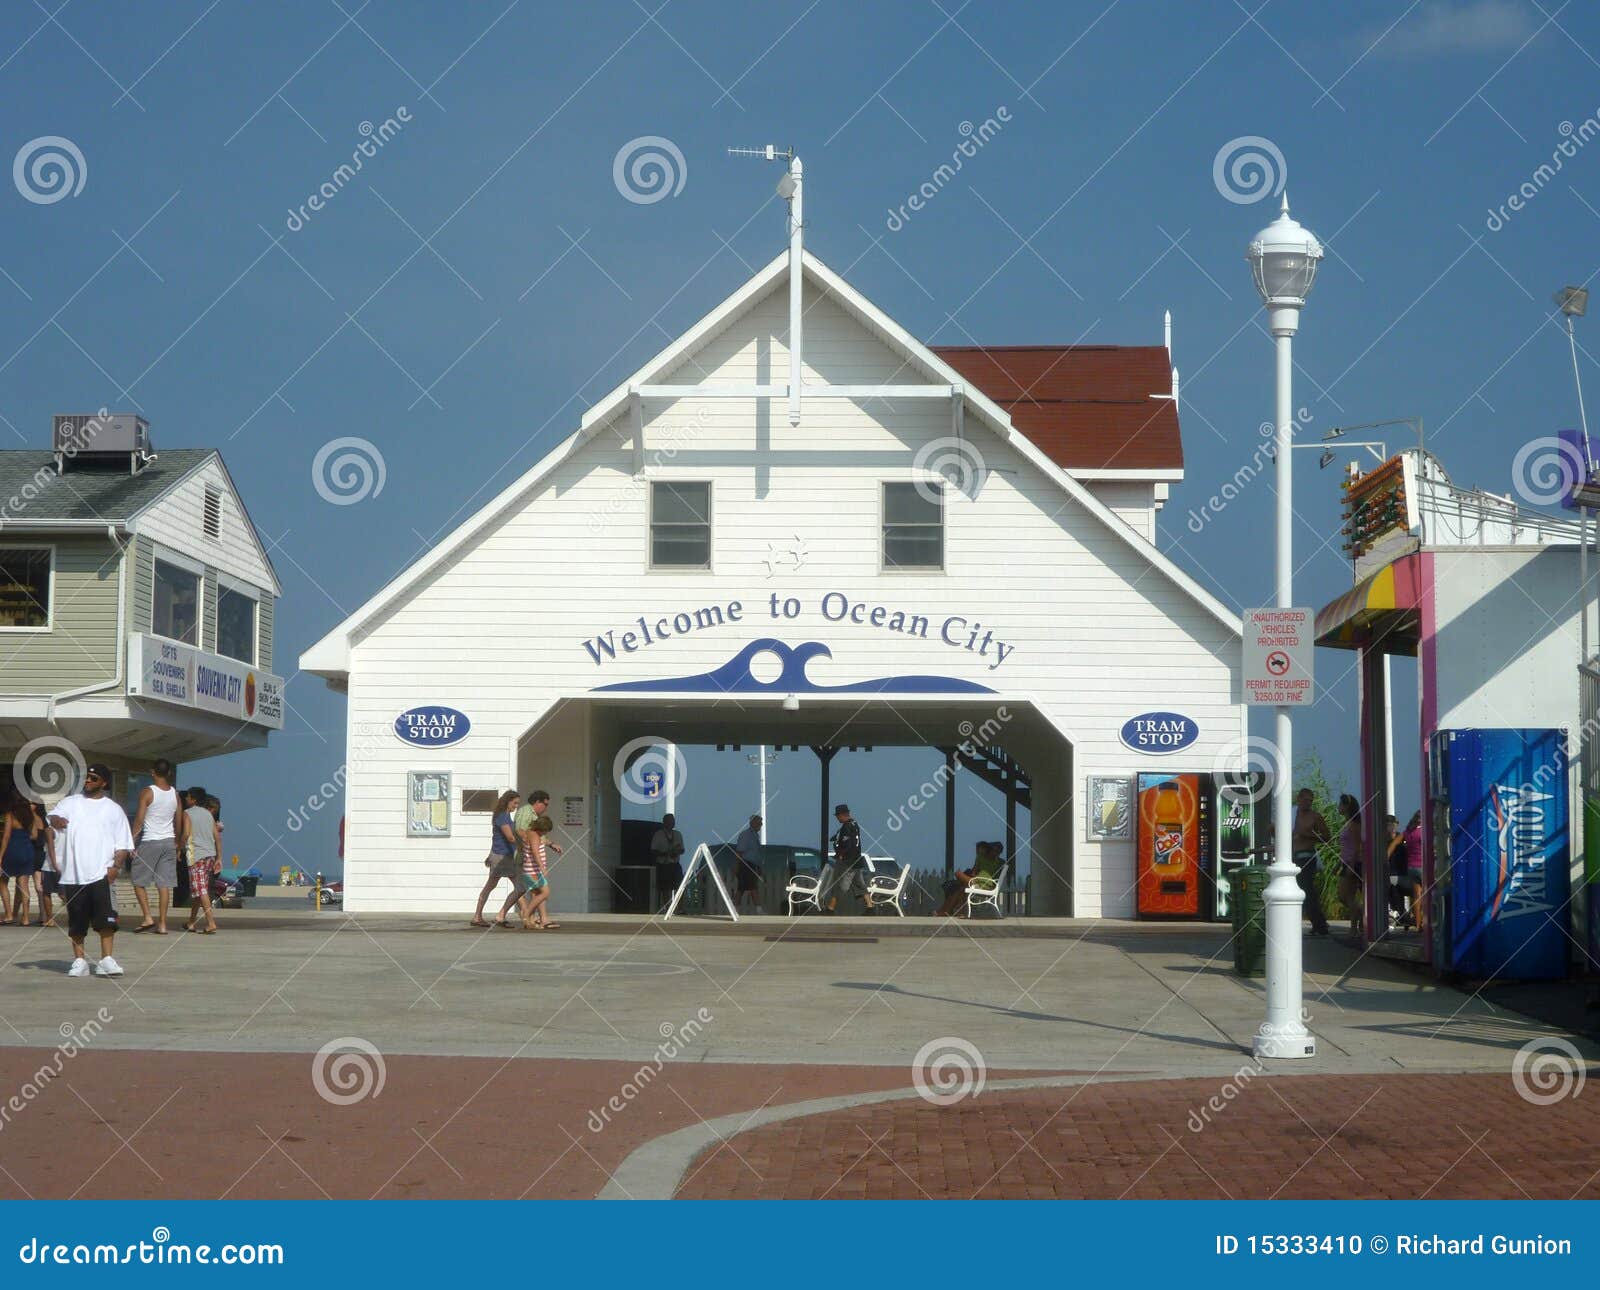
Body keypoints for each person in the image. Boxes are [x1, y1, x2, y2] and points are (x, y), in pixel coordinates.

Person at [48, 763, 132, 977]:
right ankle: (79, 961)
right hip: (74, 875)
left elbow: (123, 843)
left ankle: (106, 960)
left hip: (101, 873)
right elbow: (53, 818)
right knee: (76, 921)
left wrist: (116, 867)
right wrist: (56, 820)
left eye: (93, 778)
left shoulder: (114, 809)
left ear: (104, 782)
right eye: (86, 777)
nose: (88, 781)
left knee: (106, 920)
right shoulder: (70, 802)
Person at [129, 759, 185, 936]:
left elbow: (139, 818)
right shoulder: (175, 794)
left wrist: (131, 840)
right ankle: (162, 924)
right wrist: (176, 842)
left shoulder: (148, 792)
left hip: (150, 841)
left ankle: (147, 917)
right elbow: (179, 818)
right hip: (169, 841)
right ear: (169, 773)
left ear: (153, 772)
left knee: (138, 880)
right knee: (164, 885)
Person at [499, 790, 561, 929]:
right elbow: (519, 830)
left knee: (534, 891)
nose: (546, 807)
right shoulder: (526, 812)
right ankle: (526, 914)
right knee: (538, 891)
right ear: (537, 802)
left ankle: (534, 919)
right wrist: (530, 843)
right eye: (545, 804)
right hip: (525, 860)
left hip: (530, 862)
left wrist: (550, 844)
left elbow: (536, 838)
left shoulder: (535, 822)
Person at [471, 790, 521, 927]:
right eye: (515, 803)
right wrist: (525, 845)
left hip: (505, 856)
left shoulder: (505, 816)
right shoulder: (502, 817)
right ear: (508, 801)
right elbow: (509, 837)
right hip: (501, 857)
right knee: (516, 887)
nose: (516, 806)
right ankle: (483, 916)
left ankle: (492, 915)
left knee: (518, 887)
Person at [1291, 787, 1331, 936]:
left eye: (1310, 800)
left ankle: (1320, 924)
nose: (1308, 803)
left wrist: (1308, 836)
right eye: (1305, 800)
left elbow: (1327, 837)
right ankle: (1317, 923)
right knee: (1301, 891)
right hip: (1293, 858)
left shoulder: (1315, 817)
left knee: (1307, 890)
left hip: (1307, 856)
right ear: (1299, 799)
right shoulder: (1291, 815)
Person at [182, 786, 220, 934]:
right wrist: (219, 858)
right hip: (210, 855)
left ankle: (211, 923)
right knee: (198, 888)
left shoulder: (187, 813)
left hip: (195, 855)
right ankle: (191, 921)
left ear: (194, 799)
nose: (186, 799)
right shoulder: (208, 814)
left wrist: (178, 847)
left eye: (188, 797)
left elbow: (185, 834)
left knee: (201, 889)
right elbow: (217, 837)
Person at [937, 840, 1006, 917]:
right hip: (979, 881)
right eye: (994, 850)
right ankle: (950, 912)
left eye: (997, 851)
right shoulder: (991, 860)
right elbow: (974, 872)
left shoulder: (998, 862)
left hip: (983, 884)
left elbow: (974, 873)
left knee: (958, 874)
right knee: (960, 889)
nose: (995, 853)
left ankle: (944, 911)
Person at [1, 792, 40, 925]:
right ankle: (26, 918)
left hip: (12, 850)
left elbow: (6, 836)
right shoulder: (30, 816)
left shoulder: (10, 814)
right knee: (23, 885)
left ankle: (9, 915)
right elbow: (34, 835)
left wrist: (0, 856)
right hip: (27, 850)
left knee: (3, 882)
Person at [825, 803, 865, 914]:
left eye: (838, 815)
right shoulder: (854, 824)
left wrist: (841, 855)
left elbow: (848, 844)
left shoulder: (846, 827)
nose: (837, 818)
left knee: (839, 884)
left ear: (843, 815)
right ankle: (870, 907)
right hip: (856, 859)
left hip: (848, 860)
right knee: (859, 883)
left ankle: (830, 908)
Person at [1335, 794, 1362, 938]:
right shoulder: (1348, 823)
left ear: (1346, 807)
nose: (1338, 807)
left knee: (1347, 896)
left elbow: (1358, 846)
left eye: (1340, 804)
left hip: (1353, 863)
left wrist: (1351, 866)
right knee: (1343, 896)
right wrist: (1338, 864)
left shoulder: (1355, 824)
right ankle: (1360, 917)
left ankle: (1355, 927)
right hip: (1345, 862)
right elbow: (1345, 848)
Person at [650, 812, 686, 912]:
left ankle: (680, 909)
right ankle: (668, 909)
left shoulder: (678, 834)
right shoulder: (658, 835)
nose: (672, 823)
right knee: (666, 888)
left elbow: (682, 849)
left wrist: (676, 852)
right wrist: (665, 853)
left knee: (680, 886)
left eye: (673, 820)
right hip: (663, 864)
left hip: (675, 864)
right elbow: (653, 850)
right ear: (664, 822)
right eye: (669, 821)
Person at [34, 801, 59, 927]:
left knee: (48, 891)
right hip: (49, 863)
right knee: (47, 891)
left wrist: (55, 864)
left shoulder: (49, 830)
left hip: (51, 864)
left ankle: (48, 918)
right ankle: (48, 917)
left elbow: (51, 848)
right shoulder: (51, 829)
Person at [732, 814, 763, 912]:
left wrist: (759, 868)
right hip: (745, 864)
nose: (761, 824)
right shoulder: (745, 835)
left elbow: (756, 854)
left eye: (761, 822)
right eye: (759, 822)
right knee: (751, 887)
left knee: (741, 888)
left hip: (753, 865)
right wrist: (737, 866)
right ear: (752, 823)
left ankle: (734, 909)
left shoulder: (755, 835)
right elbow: (739, 851)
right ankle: (759, 910)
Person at [1383, 814, 1409, 928]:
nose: (1392, 827)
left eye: (1393, 824)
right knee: (1391, 885)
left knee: (1393, 885)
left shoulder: (1403, 839)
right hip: (1389, 874)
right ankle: (1399, 914)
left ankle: (1400, 914)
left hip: (1402, 873)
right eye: (1388, 824)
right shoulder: (1382, 842)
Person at [1403, 809, 1425, 933]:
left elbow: (1396, 843)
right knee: (1428, 896)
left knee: (1416, 898)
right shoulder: (1423, 832)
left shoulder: (1408, 832)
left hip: (1411, 867)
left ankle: (1418, 925)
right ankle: (1426, 922)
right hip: (1422, 866)